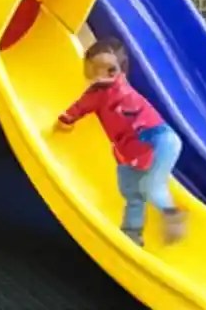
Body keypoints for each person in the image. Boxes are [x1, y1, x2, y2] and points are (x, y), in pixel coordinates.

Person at [56, 39, 187, 246]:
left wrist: (67, 119)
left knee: (150, 187)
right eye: (95, 70)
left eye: (108, 69)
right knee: (133, 193)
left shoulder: (113, 91)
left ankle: (172, 215)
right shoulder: (102, 91)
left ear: (119, 70)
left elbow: (82, 107)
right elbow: (79, 108)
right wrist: (67, 119)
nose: (101, 75)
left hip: (157, 139)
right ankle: (132, 234)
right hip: (131, 153)